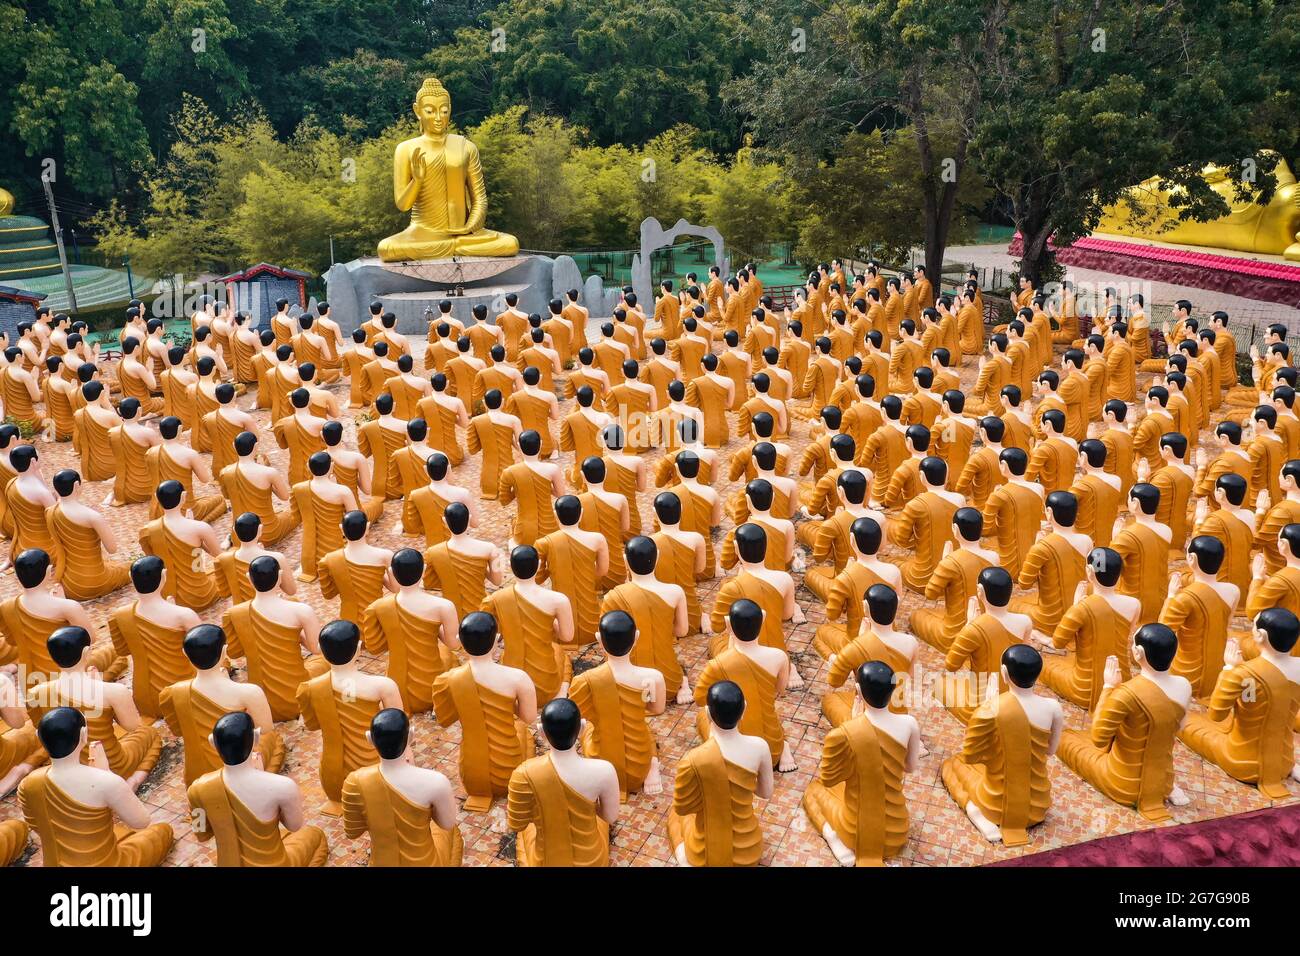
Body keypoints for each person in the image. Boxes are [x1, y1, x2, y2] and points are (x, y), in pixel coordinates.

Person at [19, 707, 174, 866]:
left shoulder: (28, 784)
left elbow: (36, 826)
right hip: (107, 864)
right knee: (162, 832)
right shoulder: (106, 781)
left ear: (39, 737)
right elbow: (141, 821)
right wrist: (107, 774)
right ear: (84, 734)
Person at [803, 661, 921, 866]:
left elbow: (829, 780)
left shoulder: (843, 733)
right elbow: (909, 767)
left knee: (813, 790)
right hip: (897, 831)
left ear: (858, 690)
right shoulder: (910, 724)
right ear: (894, 689)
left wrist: (854, 726)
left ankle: (833, 838)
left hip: (853, 831)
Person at [188, 712, 328, 867]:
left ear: (213, 743)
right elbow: (294, 826)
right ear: (255, 738)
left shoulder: (197, 789)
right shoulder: (282, 786)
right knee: (315, 836)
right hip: (277, 864)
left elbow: (201, 833)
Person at [667, 680, 773, 867]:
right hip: (748, 851)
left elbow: (683, 808)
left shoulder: (693, 759)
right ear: (744, 708)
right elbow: (765, 792)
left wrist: (714, 789)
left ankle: (684, 860)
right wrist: (741, 782)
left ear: (707, 713)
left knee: (675, 817)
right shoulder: (760, 747)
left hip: (705, 854)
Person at [343, 708, 463, 867]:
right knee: (453, 833)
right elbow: (447, 824)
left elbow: (353, 832)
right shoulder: (436, 782)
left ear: (370, 739)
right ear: (411, 736)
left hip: (381, 862)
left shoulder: (355, 781)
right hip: (426, 863)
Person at [507, 698, 620, 867]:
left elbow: (517, 824)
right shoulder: (604, 770)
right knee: (600, 824)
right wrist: (586, 806)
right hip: (591, 861)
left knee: (528, 832)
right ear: (581, 728)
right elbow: (610, 816)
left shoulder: (524, 774)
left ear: (542, 732)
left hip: (546, 861)